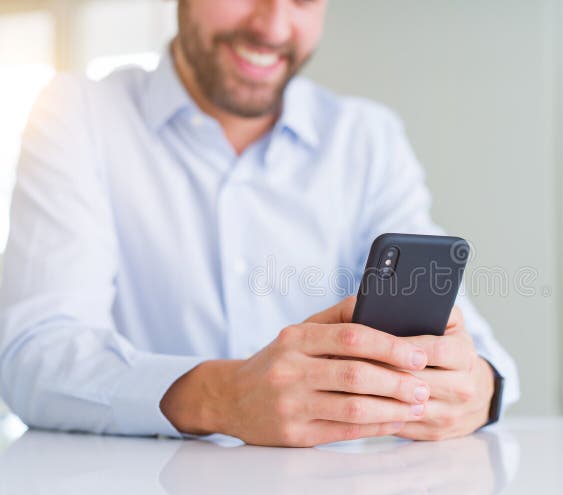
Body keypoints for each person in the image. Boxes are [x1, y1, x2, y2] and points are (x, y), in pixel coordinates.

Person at [0, 0, 519, 447]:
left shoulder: (367, 139)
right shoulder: (78, 115)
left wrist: (476, 387)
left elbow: (479, 350)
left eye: (303, 1)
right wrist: (223, 396)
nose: (272, 27)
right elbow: (34, 355)